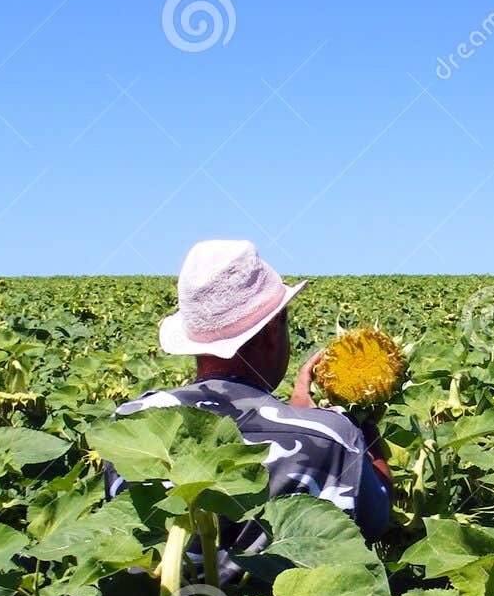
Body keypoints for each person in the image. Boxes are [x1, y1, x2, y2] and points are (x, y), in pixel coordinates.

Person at [105, 240, 392, 578]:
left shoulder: (129, 423)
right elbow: (376, 519)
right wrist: (360, 425)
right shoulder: (330, 438)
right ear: (273, 331)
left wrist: (300, 417)